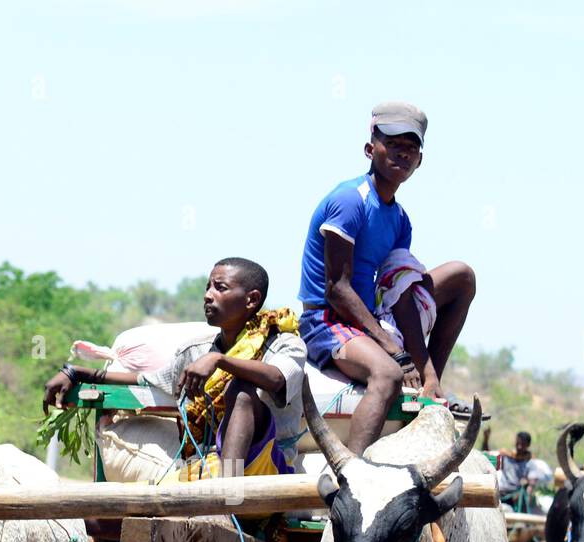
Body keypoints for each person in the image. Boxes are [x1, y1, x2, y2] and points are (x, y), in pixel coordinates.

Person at [297, 100, 477, 454]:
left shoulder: (400, 220)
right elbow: (337, 290)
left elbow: (399, 291)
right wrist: (392, 348)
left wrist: (424, 368)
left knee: (462, 276)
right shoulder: (350, 201)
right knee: (388, 375)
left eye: (411, 148)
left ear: (420, 161)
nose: (403, 154)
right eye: (393, 144)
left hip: (370, 317)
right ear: (370, 148)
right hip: (328, 320)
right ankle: (353, 473)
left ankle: (430, 386)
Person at [43, 257, 306, 479]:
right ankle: (218, 495)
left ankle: (227, 502)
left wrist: (221, 361)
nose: (207, 295)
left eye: (220, 288)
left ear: (251, 300)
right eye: (207, 287)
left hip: (266, 471)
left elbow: (276, 379)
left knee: (241, 390)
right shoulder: (196, 351)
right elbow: (146, 380)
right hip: (206, 470)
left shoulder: (285, 344)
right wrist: (76, 372)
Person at [486, 428, 542, 511]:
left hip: (516, 497)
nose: (519, 446)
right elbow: (488, 458)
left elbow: (532, 482)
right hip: (501, 492)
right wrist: (486, 439)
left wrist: (526, 483)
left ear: (528, 445)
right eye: (518, 443)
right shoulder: (506, 456)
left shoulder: (529, 462)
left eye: (522, 444)